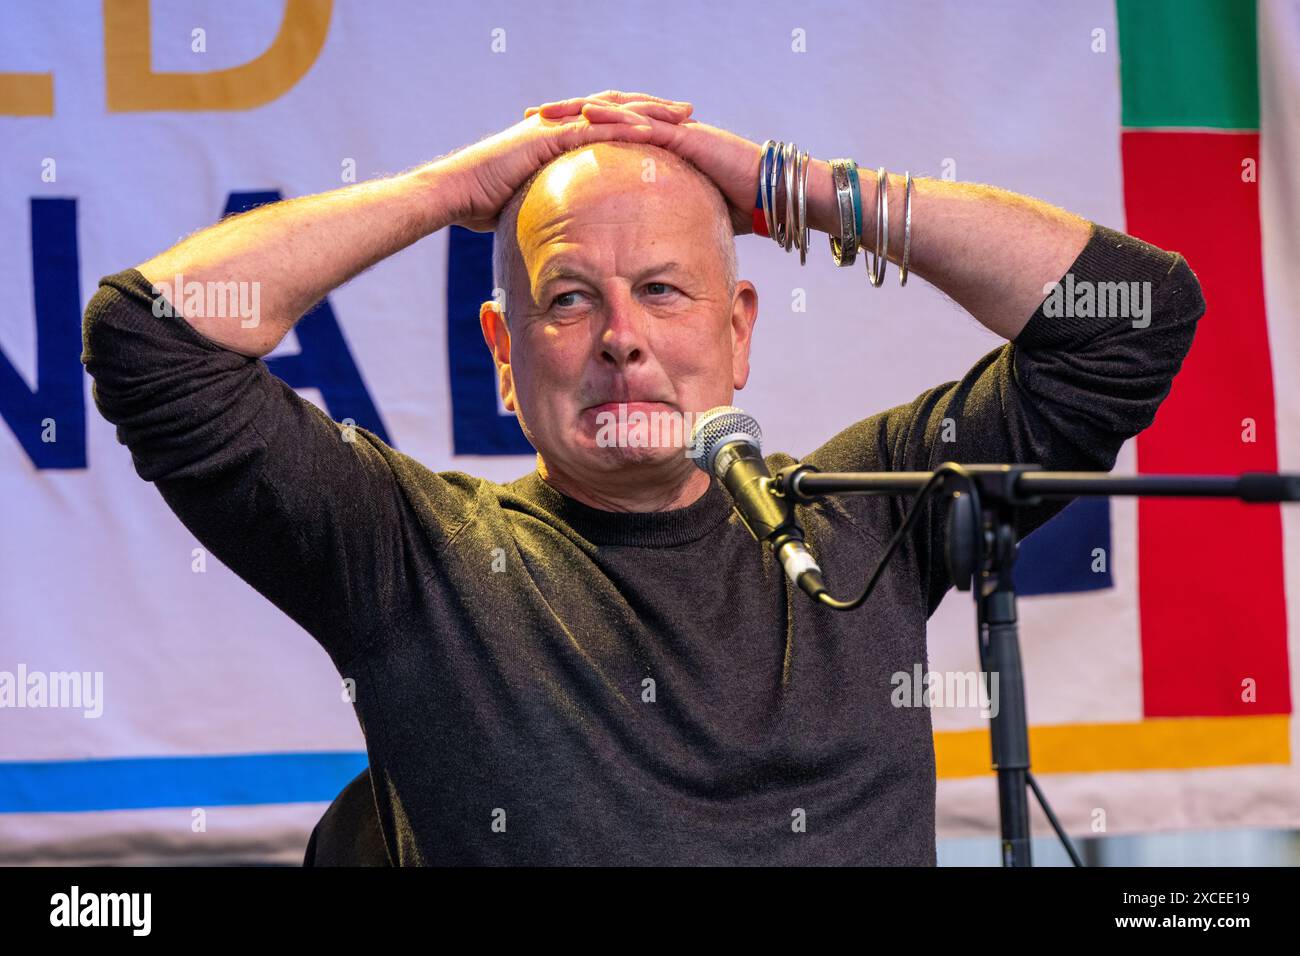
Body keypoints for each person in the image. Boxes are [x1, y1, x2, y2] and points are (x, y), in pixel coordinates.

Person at [81, 90, 1205, 865]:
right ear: (503, 356)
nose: (621, 337)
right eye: (569, 298)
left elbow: (1131, 317)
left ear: (740, 331)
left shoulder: (860, 514)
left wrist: (795, 186)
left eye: (664, 290)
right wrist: (446, 189)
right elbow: (153, 340)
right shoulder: (409, 552)